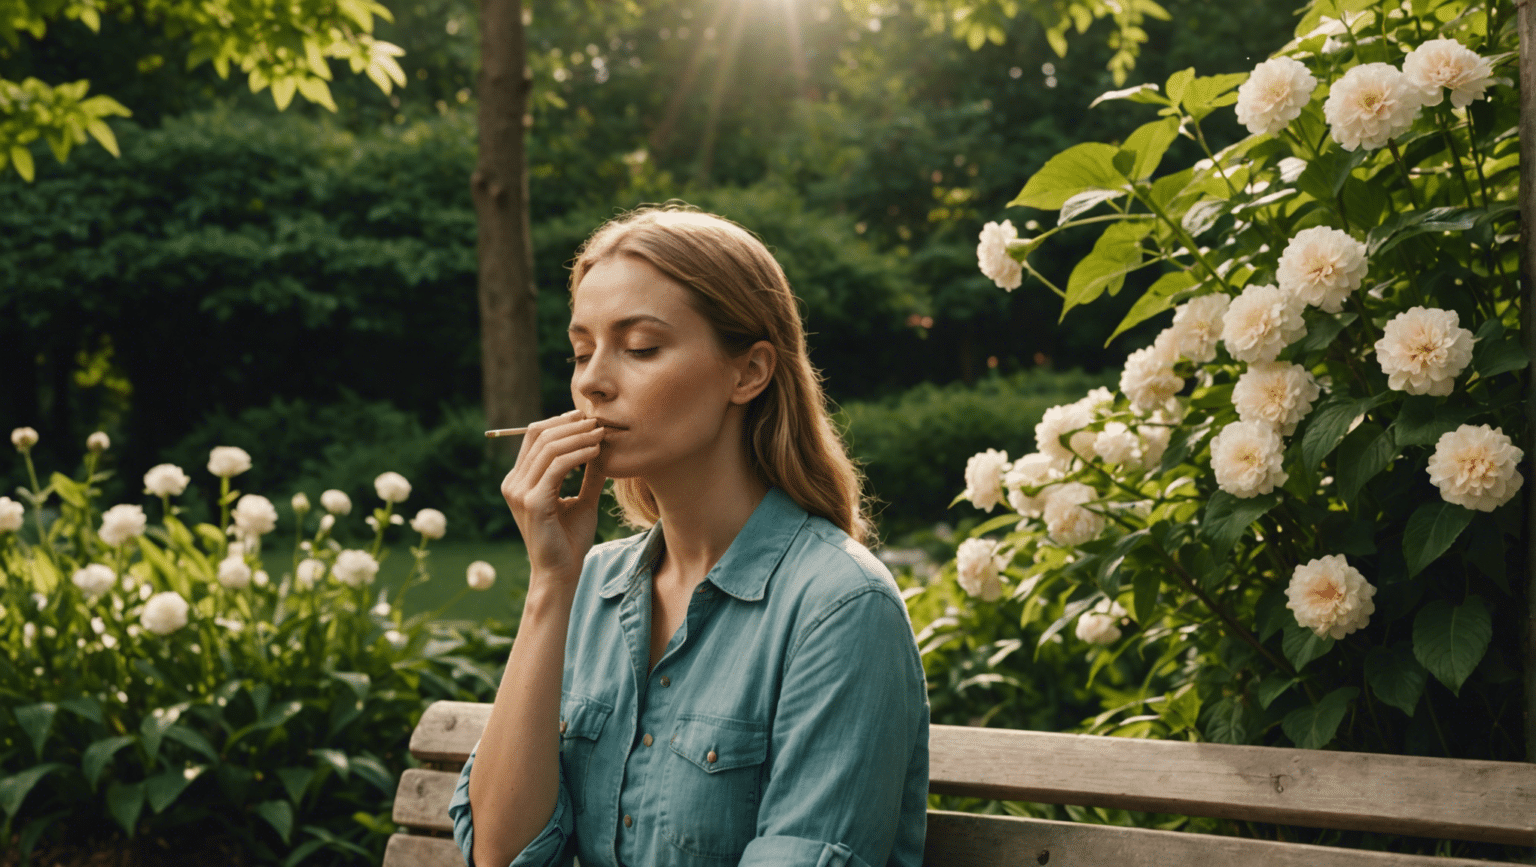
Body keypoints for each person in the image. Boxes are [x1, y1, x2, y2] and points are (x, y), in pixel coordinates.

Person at [448, 206, 929, 867]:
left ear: (749, 372)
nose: (591, 380)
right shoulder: (591, 585)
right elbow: (500, 853)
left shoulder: (839, 607)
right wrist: (550, 586)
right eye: (582, 351)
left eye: (640, 346)